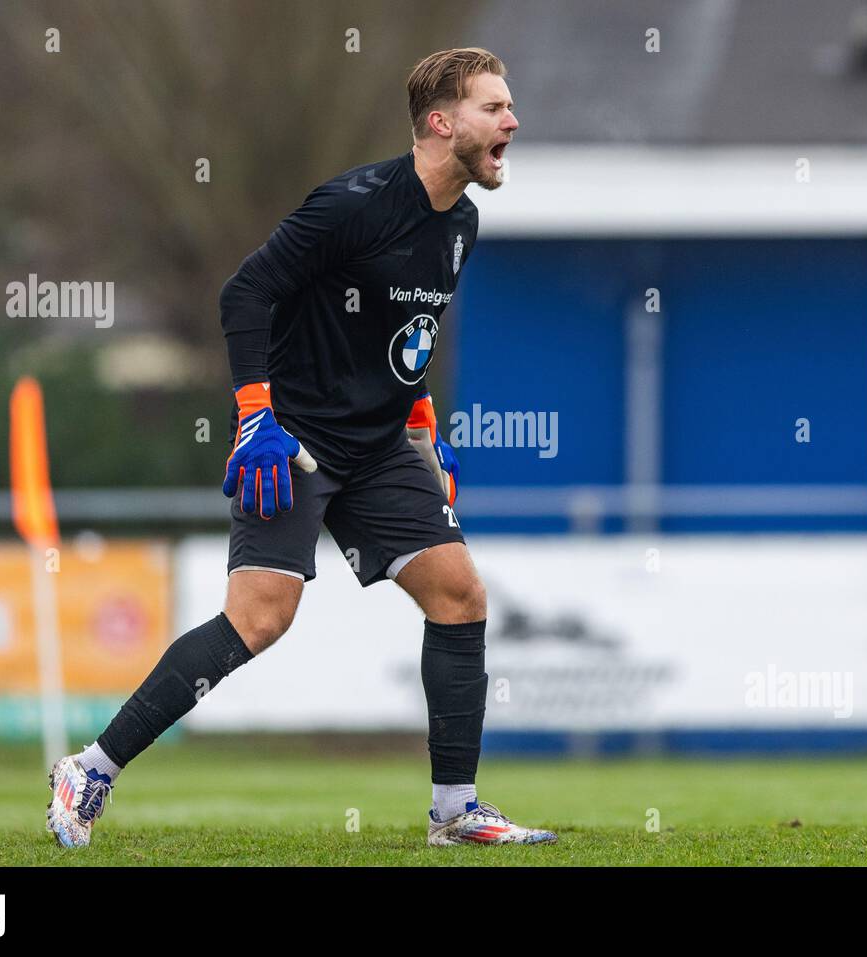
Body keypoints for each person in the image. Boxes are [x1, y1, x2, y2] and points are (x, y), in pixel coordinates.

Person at [47, 47, 557, 848]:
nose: (512, 122)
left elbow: (404, 337)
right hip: (292, 436)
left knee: (459, 594)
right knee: (259, 618)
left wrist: (423, 427)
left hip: (381, 442)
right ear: (440, 121)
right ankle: (92, 767)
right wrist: (255, 415)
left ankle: (455, 811)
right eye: (495, 108)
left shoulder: (461, 222)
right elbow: (245, 292)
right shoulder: (352, 204)